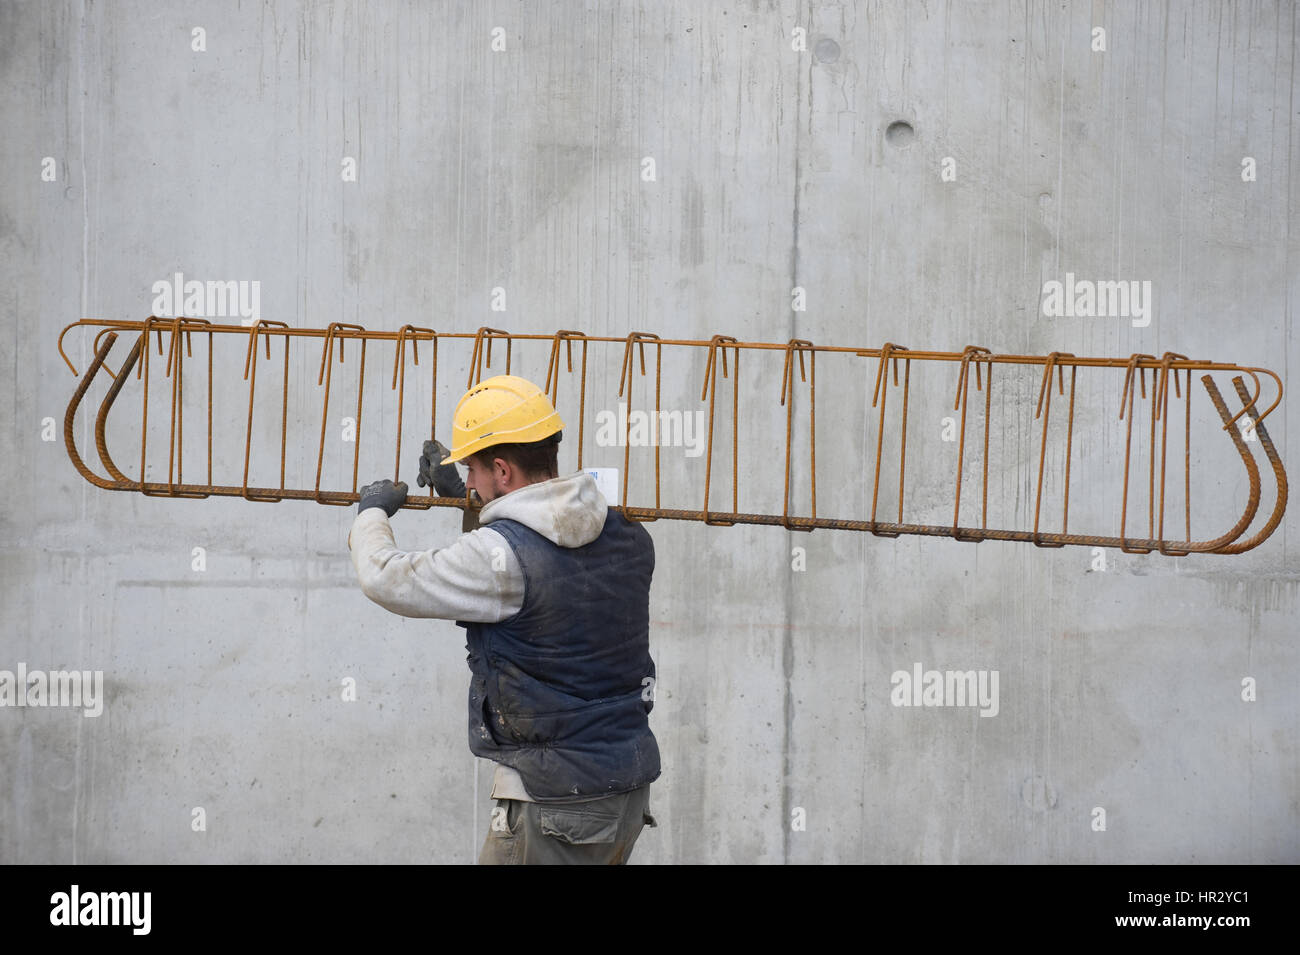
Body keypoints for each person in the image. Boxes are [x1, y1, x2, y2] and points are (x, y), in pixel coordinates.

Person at [348, 374, 660, 864]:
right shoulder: (628, 536)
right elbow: (539, 577)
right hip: (624, 791)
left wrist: (371, 515)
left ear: (501, 468)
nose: (467, 483)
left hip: (551, 802)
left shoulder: (502, 558)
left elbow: (386, 578)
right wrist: (481, 504)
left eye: (472, 470)